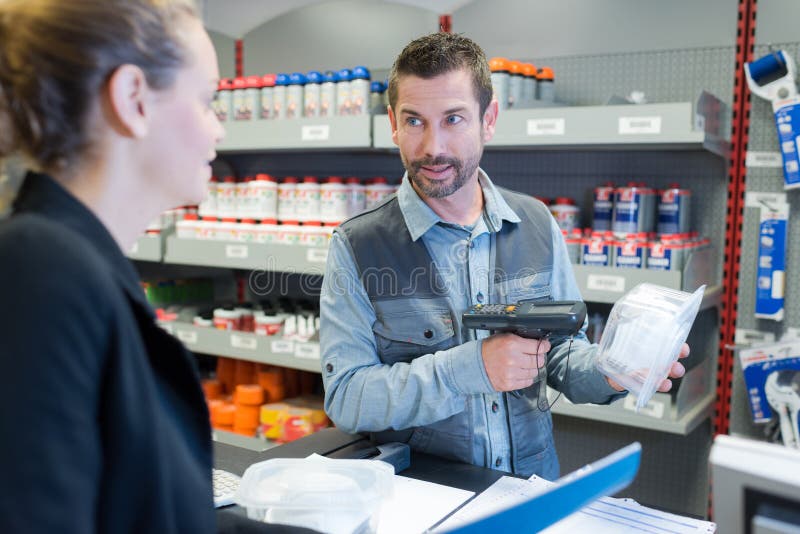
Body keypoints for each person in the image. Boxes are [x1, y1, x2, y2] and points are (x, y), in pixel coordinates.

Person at [320, 32, 689, 479]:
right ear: (393, 124)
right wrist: (469, 369)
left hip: (528, 487)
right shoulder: (358, 245)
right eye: (414, 121)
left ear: (488, 119)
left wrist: (613, 371)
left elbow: (561, 353)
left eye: (453, 119)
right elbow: (347, 398)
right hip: (426, 497)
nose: (433, 146)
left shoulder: (536, 223)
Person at [0, 2, 283, 533]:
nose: (217, 131)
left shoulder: (80, 264)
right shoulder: (38, 268)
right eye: (206, 101)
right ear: (133, 99)